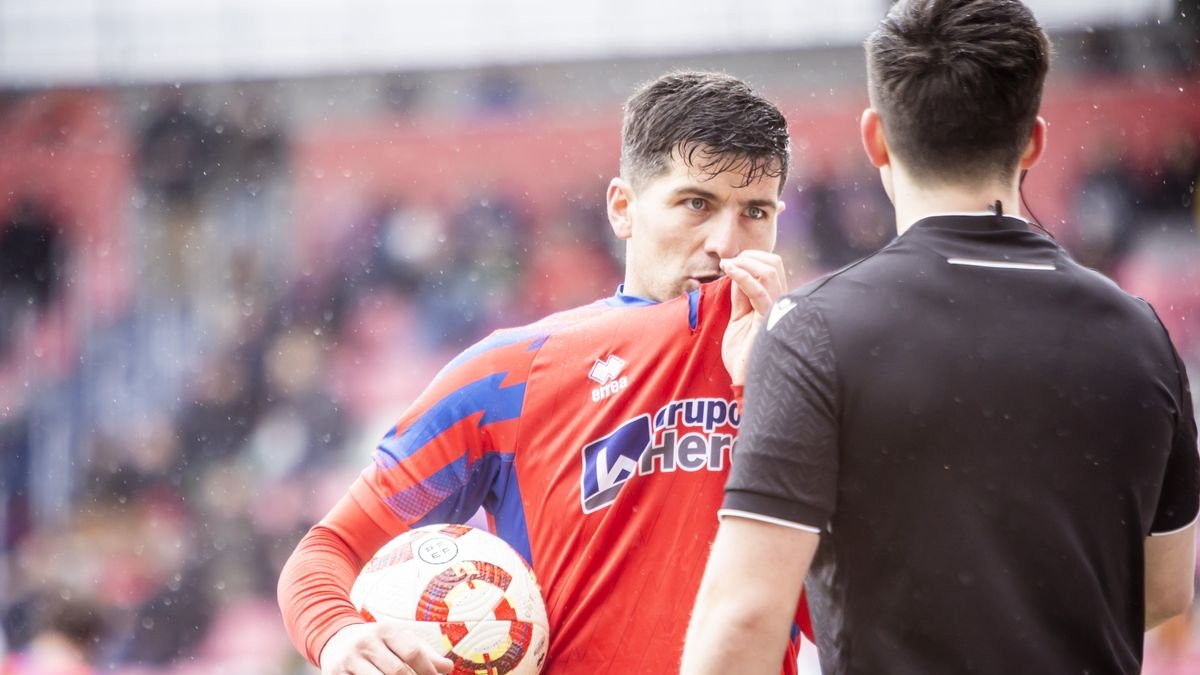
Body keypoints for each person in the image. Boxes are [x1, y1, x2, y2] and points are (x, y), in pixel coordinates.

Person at [681, 2, 1200, 674]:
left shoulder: (812, 329)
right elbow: (1162, 589)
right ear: (1033, 142)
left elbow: (745, 615)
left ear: (875, 139)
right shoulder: (1140, 333)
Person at [278, 71, 810, 675]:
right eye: (696, 204)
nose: (725, 242)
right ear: (623, 209)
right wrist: (339, 636)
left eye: (755, 211)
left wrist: (777, 394)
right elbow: (329, 552)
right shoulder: (509, 375)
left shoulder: (808, 371)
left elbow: (846, 607)